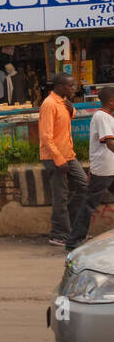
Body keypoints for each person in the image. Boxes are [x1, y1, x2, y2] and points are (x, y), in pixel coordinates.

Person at [41, 72, 86, 247]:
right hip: (54, 157)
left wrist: (71, 109)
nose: (73, 88)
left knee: (84, 186)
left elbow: (68, 117)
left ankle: (70, 227)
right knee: (60, 196)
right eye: (70, 86)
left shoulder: (63, 103)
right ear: (60, 87)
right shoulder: (49, 104)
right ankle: (59, 234)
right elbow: (46, 136)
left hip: (68, 155)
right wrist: (59, 159)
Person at [66, 86, 114, 251]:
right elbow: (110, 143)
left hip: (109, 168)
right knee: (88, 205)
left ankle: (75, 238)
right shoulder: (102, 117)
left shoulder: (106, 117)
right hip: (104, 170)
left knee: (88, 204)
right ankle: (74, 240)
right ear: (111, 101)